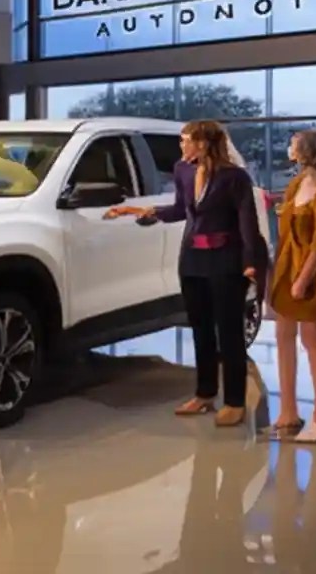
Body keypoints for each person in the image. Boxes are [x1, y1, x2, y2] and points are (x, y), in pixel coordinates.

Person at [107, 120, 267, 427]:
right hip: (193, 260)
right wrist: (148, 213)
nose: (181, 146)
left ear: (204, 143)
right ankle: (205, 393)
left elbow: (247, 222)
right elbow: (181, 209)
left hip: (226, 260)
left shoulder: (234, 177)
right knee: (201, 329)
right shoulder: (183, 170)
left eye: (186, 140)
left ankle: (235, 401)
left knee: (230, 333)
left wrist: (250, 262)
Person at [269, 130, 316, 445]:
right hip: (286, 268)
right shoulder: (296, 184)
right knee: (283, 336)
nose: (290, 149)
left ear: (306, 150)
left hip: (312, 274)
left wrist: (303, 279)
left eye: (294, 145)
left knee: (313, 343)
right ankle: (288, 412)